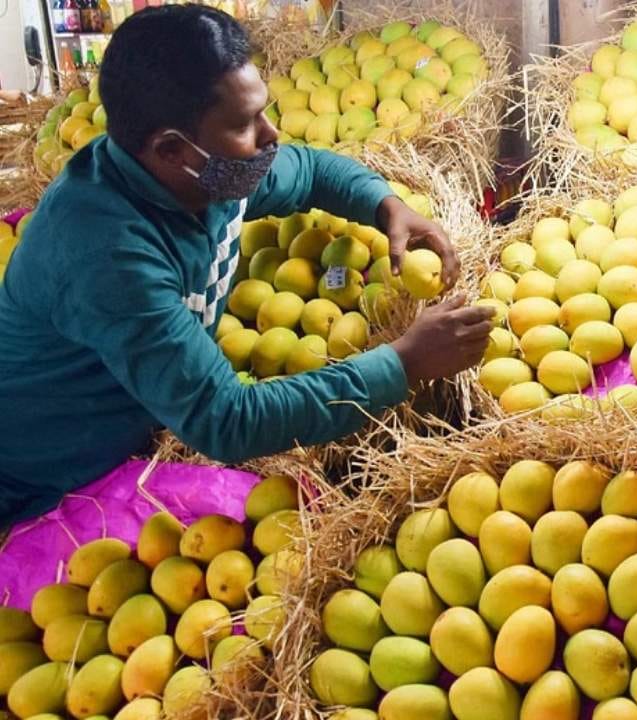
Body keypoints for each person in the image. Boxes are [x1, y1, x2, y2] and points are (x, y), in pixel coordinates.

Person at [0, 5, 493, 525]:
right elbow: (226, 420)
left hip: (129, 436)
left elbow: (307, 170)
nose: (271, 133)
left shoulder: (209, 172)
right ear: (172, 149)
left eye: (264, 110)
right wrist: (405, 362)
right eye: (245, 123)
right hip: (44, 488)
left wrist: (385, 204)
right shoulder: (108, 254)